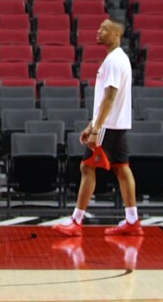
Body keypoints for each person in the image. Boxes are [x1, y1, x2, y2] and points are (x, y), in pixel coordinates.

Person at [56, 16, 143, 237]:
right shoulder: (120, 58)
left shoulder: (114, 61)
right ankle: (132, 220)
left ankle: (76, 221)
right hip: (117, 124)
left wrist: (96, 129)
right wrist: (92, 124)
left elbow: (110, 97)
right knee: (122, 168)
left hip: (108, 126)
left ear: (116, 34)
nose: (98, 31)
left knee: (87, 168)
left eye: (104, 29)